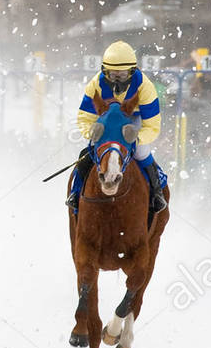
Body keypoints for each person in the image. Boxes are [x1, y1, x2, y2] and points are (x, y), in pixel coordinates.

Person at [66, 41, 168, 220]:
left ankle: (156, 194)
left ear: (132, 72)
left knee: (142, 152)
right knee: (87, 151)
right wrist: (91, 132)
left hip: (132, 122)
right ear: (105, 72)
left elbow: (152, 126)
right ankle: (75, 194)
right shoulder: (95, 84)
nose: (117, 80)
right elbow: (84, 117)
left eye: (122, 75)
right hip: (105, 124)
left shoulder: (145, 87)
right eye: (112, 75)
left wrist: (136, 139)